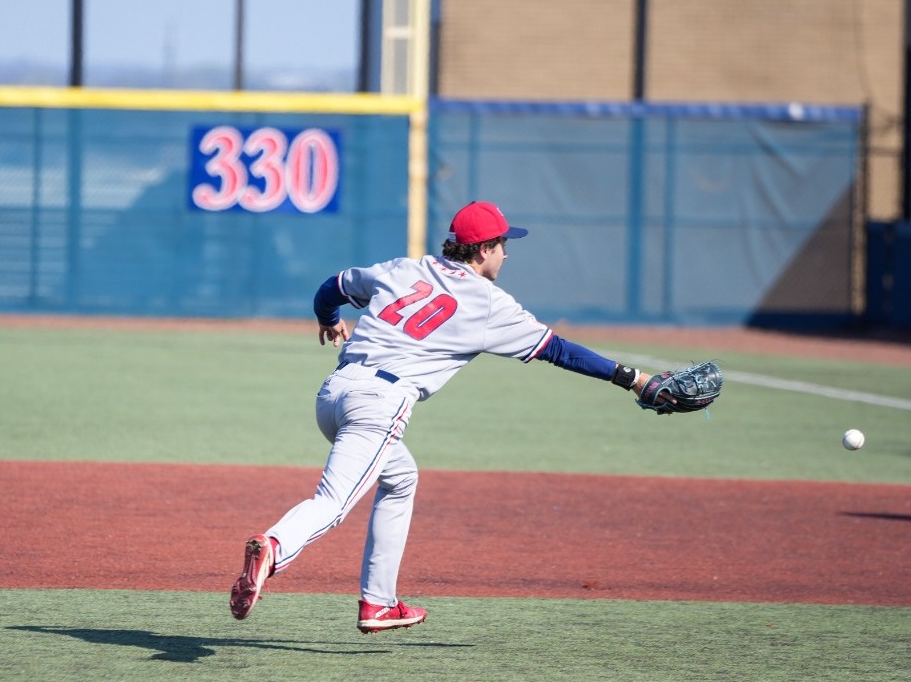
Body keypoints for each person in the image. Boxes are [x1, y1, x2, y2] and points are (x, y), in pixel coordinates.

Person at [230, 201, 654, 633]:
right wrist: (634, 379)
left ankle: (379, 603)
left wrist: (330, 319)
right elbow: (560, 351)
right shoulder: (490, 303)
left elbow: (333, 286)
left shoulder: (405, 269)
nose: (507, 253)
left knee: (401, 479)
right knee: (333, 503)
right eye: (504, 244)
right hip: (379, 403)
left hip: (334, 392)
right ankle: (274, 546)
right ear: (485, 249)